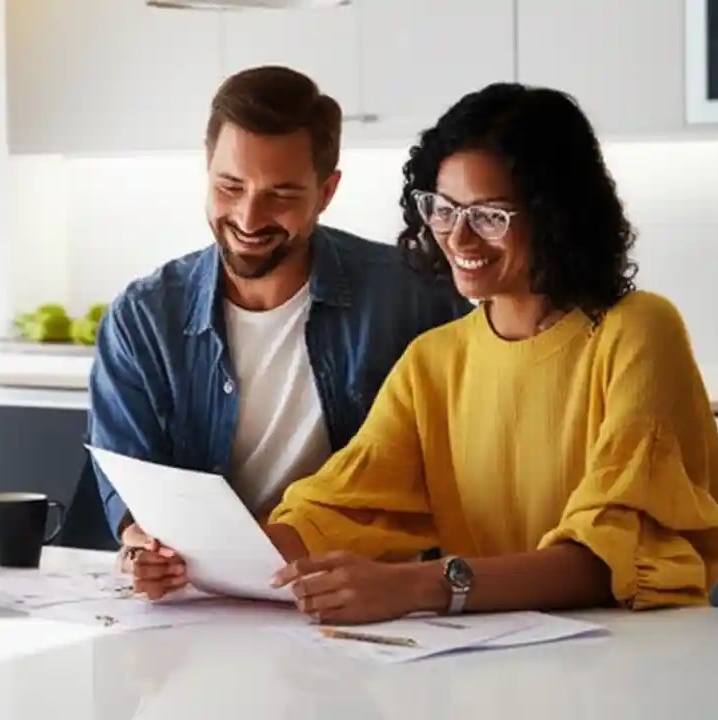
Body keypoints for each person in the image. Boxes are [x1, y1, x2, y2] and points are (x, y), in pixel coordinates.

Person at [263, 83, 718, 623]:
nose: (459, 238)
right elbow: (338, 510)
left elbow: (609, 561)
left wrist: (418, 585)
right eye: (443, 209)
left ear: (556, 215)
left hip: (626, 665)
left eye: (489, 216)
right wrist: (200, 557)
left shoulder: (637, 331)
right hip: (489, 667)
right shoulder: (434, 361)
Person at [87, 66, 468, 599]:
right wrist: (140, 548)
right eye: (230, 186)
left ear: (327, 191)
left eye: (281, 194)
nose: (248, 216)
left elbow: (457, 477)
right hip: (206, 608)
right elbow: (130, 493)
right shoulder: (141, 319)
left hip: (371, 601)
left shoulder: (416, 298)